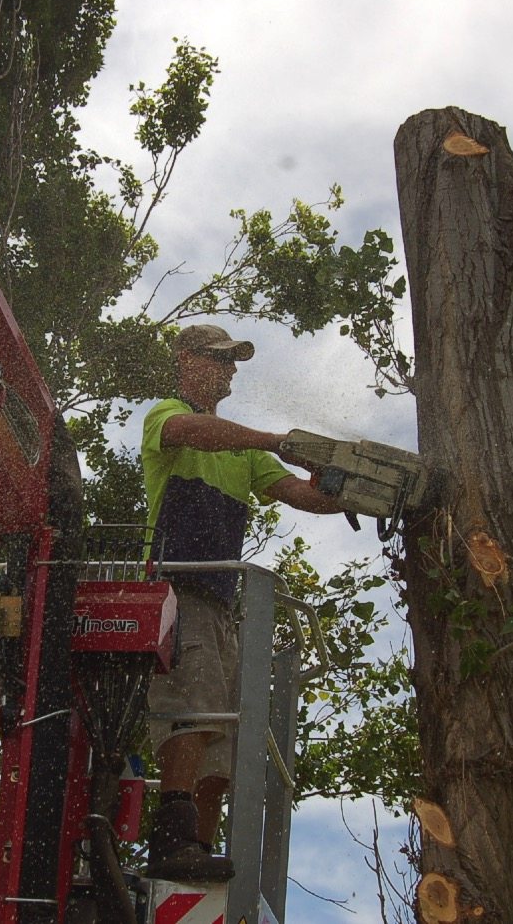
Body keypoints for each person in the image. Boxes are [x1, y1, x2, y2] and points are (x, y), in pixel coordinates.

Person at [141, 323, 344, 882]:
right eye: (219, 359)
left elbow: (297, 493)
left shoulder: (243, 452)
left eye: (232, 362)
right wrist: (276, 439)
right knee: (193, 712)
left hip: (220, 601)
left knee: (222, 734)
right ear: (186, 360)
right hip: (176, 589)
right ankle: (171, 839)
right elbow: (193, 431)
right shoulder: (167, 416)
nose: (228, 370)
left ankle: (199, 848)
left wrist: (341, 488)